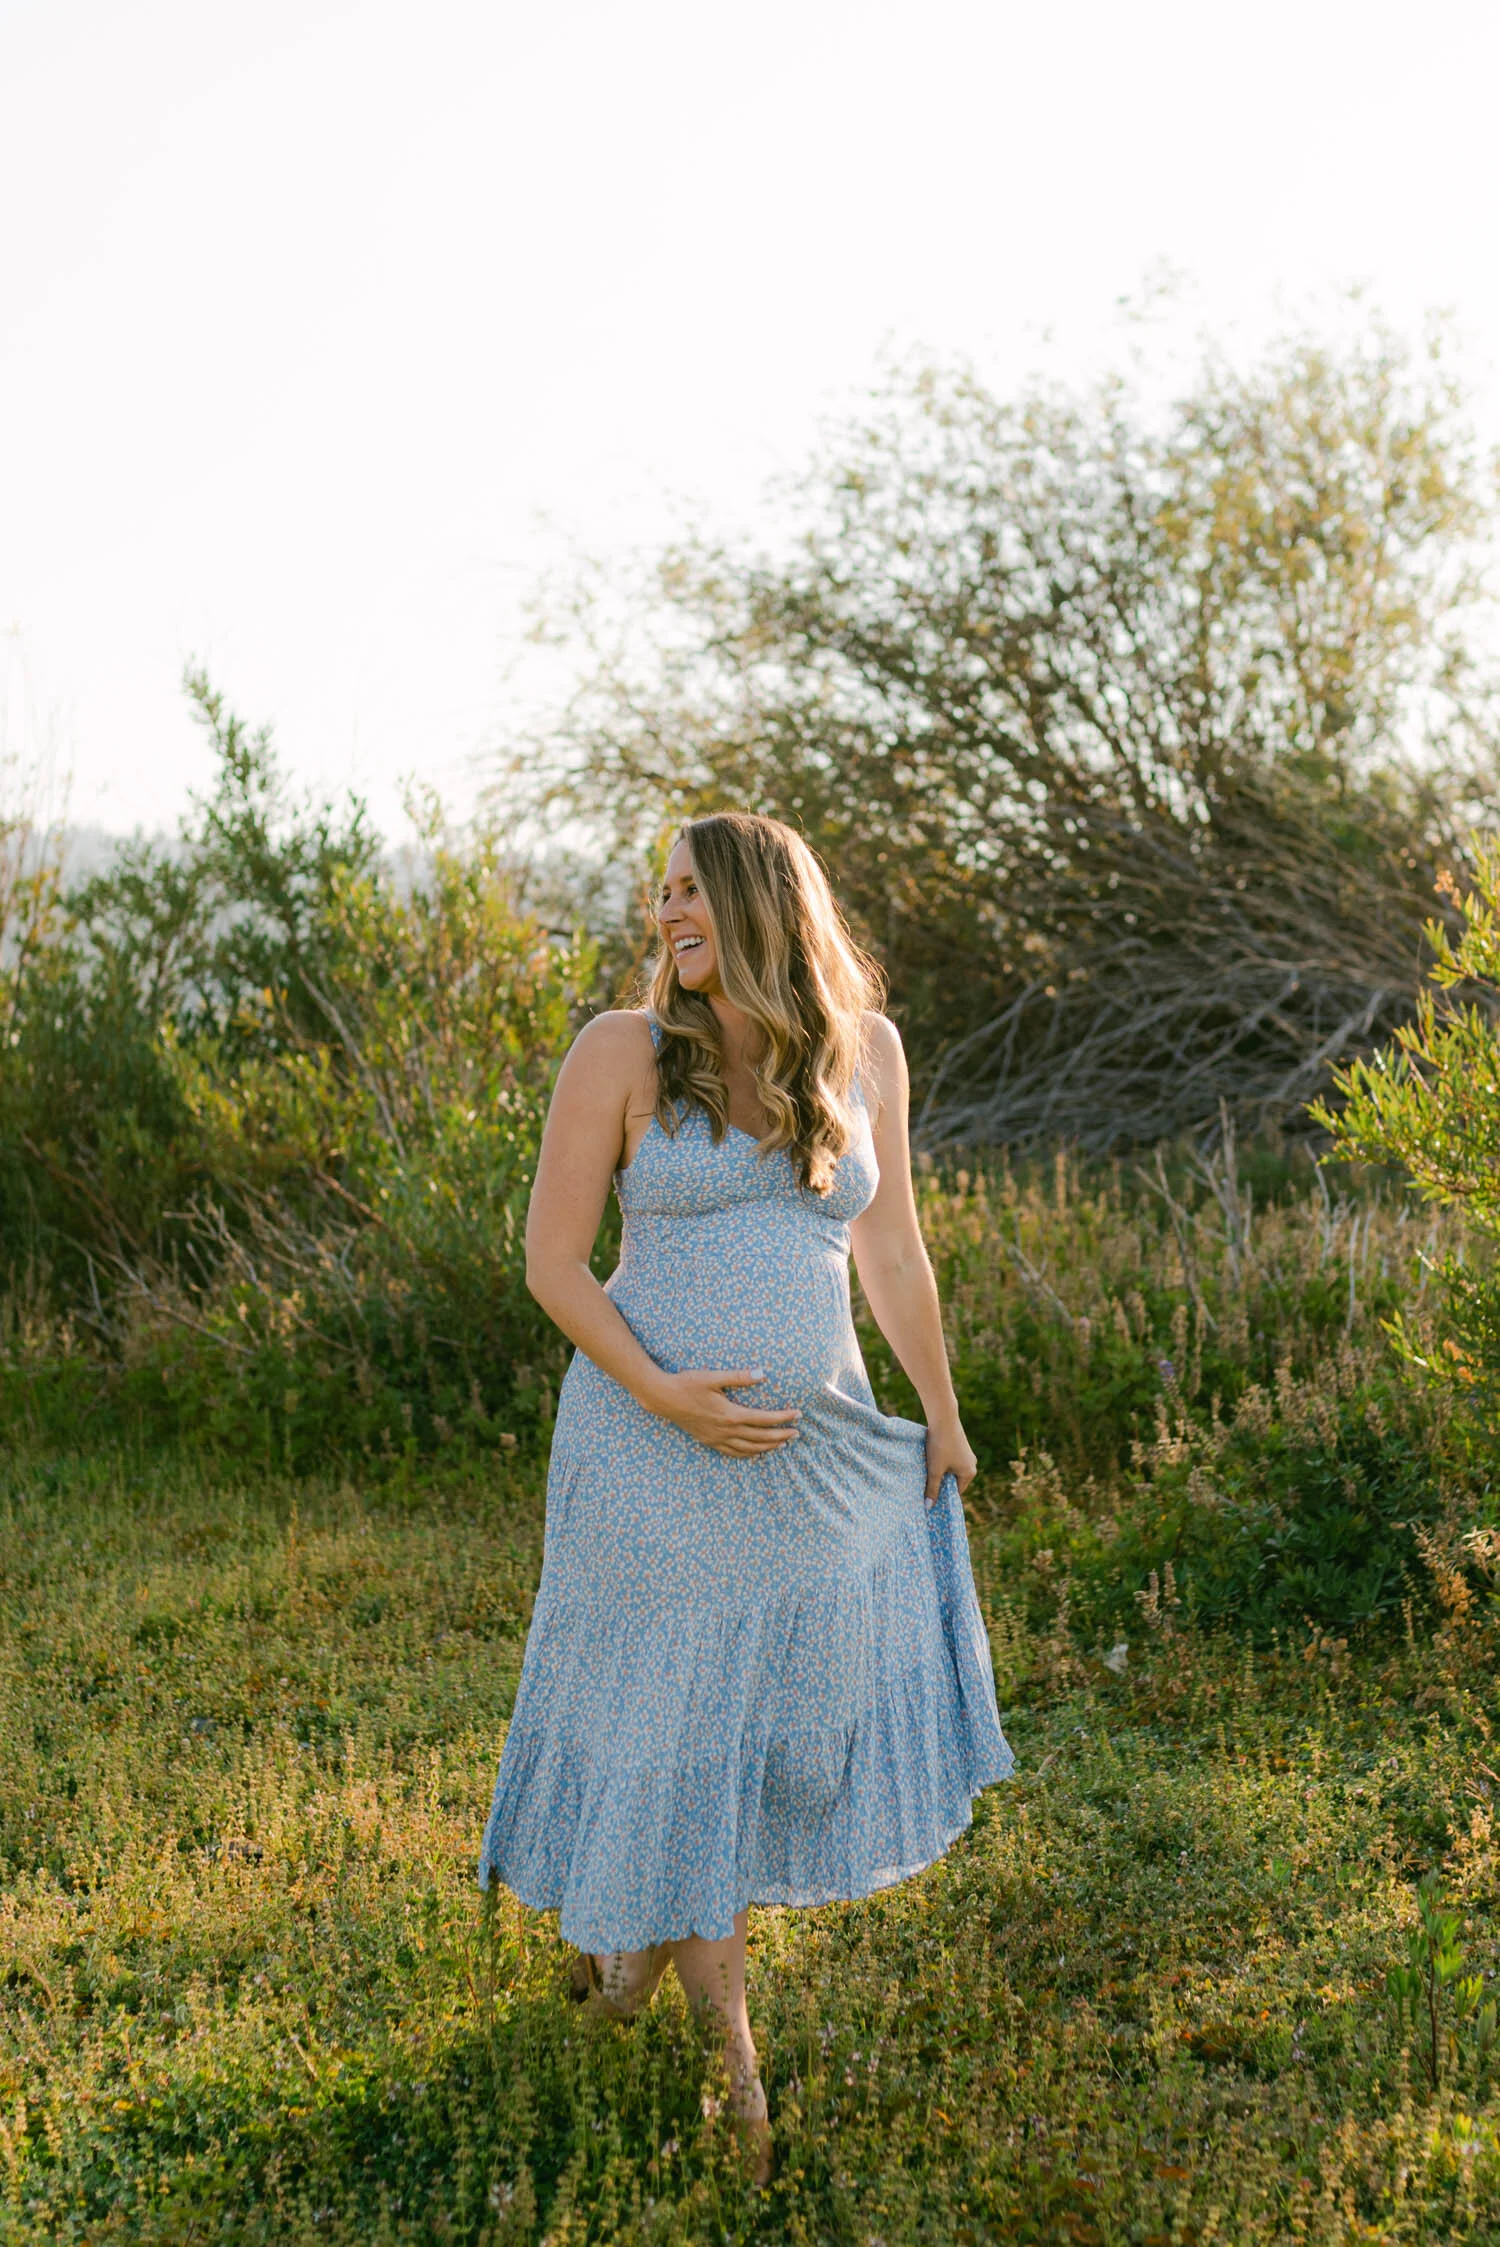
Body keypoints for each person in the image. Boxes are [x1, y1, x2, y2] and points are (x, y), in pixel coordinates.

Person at [479, 811, 1012, 2184]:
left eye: (690, 891)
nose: (667, 915)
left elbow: (893, 1253)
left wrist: (942, 1413)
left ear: (764, 899)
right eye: (660, 895)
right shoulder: (620, 1051)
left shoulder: (864, 1051)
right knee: (693, 1735)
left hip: (809, 1453)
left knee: (780, 1733)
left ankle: (627, 1959)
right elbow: (552, 1262)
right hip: (646, 1449)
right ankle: (739, 2082)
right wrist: (669, 1396)